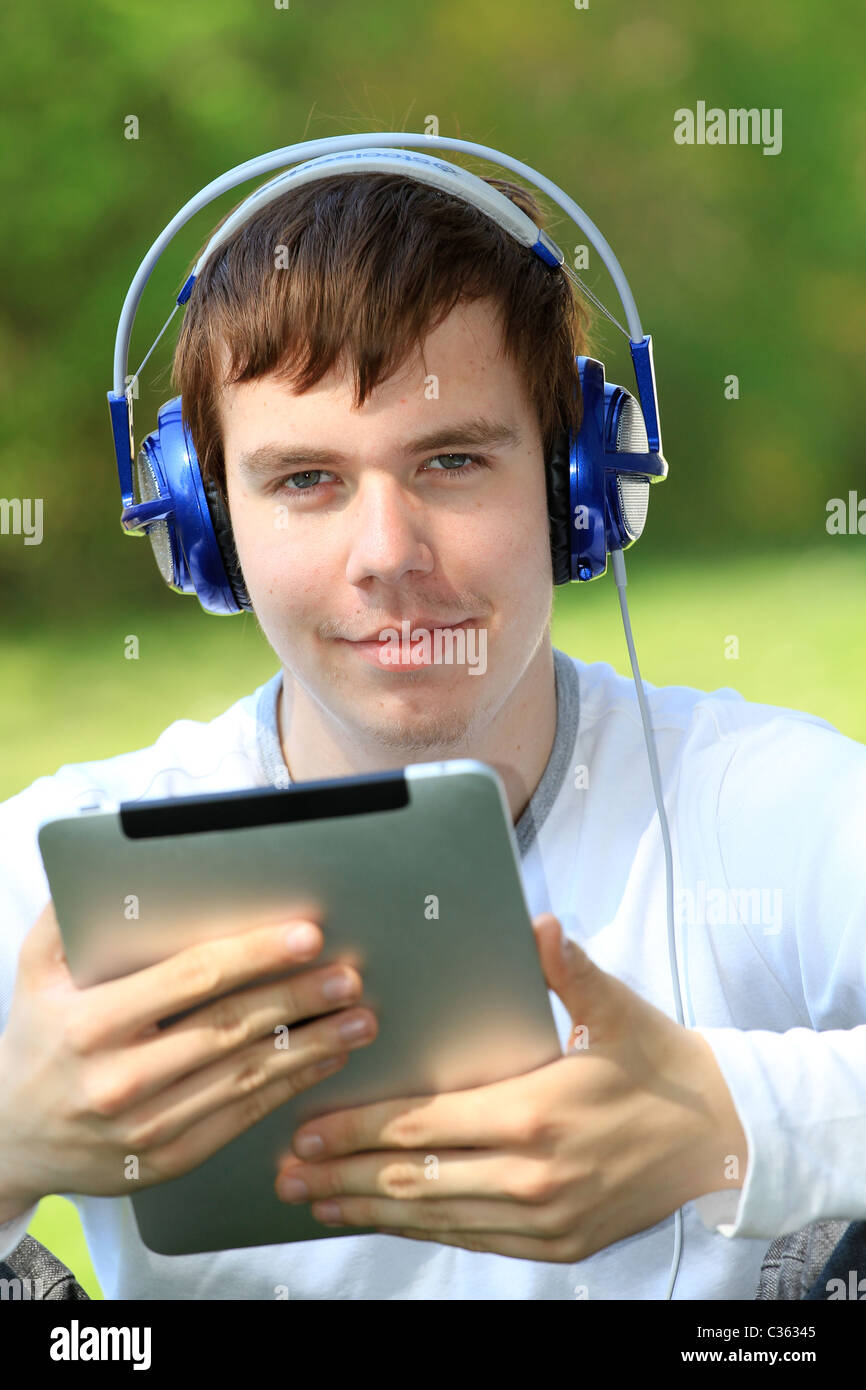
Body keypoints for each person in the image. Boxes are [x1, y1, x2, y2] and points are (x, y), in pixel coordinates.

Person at [1, 169, 865, 1301]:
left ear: (576, 488)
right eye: (304, 480)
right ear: (208, 531)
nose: (385, 552)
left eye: (451, 460)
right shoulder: (58, 867)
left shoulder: (763, 799)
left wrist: (730, 1119)